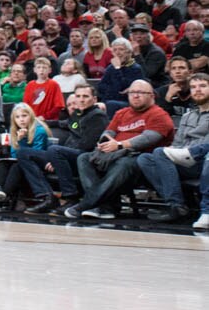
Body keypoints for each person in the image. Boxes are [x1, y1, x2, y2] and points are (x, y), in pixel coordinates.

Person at [64, 80, 175, 220]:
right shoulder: (122, 113)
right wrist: (104, 143)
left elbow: (149, 138)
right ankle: (105, 207)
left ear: (152, 95)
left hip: (141, 160)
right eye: (132, 92)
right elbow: (108, 132)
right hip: (114, 154)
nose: (135, 96)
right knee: (84, 158)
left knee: (124, 163)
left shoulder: (159, 114)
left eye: (140, 92)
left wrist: (120, 145)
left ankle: (86, 204)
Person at [13, 84, 108, 215]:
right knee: (23, 153)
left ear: (94, 99)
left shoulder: (97, 116)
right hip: (64, 155)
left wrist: (57, 158)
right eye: (78, 96)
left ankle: (70, 197)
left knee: (54, 149)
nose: (81, 99)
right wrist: (41, 121)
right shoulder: (78, 113)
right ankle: (47, 196)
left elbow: (87, 144)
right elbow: (63, 124)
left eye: (85, 96)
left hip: (85, 158)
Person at [134, 73, 209, 224]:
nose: (197, 90)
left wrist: (178, 152)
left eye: (202, 86)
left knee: (160, 153)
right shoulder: (188, 115)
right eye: (193, 87)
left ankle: (176, 205)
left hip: (202, 160)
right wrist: (174, 152)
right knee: (145, 159)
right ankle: (179, 204)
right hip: (181, 158)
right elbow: (178, 142)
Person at [0, 103, 52, 209]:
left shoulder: (40, 131)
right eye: (17, 117)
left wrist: (22, 141)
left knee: (17, 166)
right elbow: (13, 155)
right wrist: (18, 140)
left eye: (24, 116)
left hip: (36, 165)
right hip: (22, 162)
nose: (21, 120)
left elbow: (34, 154)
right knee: (4, 162)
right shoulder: (15, 131)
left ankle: (3, 198)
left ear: (31, 116)